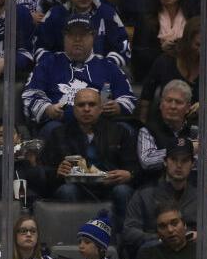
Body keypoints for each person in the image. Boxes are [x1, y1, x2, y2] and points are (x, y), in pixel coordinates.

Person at [23, 15, 137, 137]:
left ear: (93, 37)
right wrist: (47, 109)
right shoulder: (47, 64)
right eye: (71, 35)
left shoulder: (108, 66)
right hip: (60, 126)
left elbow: (128, 97)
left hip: (101, 128)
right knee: (54, 131)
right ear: (64, 37)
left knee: (126, 131)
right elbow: (30, 95)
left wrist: (118, 107)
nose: (77, 39)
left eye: (83, 35)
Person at [40, 87, 138, 228]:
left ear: (100, 108)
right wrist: (57, 171)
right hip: (77, 187)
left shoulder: (120, 131)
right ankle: (73, 238)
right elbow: (45, 172)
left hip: (110, 186)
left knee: (123, 191)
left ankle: (123, 241)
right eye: (81, 105)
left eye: (92, 105)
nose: (86, 109)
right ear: (74, 109)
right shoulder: (58, 134)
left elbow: (134, 166)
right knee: (67, 190)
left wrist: (129, 174)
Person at [122, 138, 207, 259]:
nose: (179, 165)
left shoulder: (204, 197)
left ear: (193, 164)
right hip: (158, 255)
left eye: (185, 161)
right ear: (165, 162)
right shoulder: (143, 195)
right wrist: (160, 238)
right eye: (174, 160)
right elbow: (129, 232)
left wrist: (201, 237)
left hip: (194, 255)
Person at [137, 17, 207, 127]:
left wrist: (205, 105)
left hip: (200, 126)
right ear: (188, 42)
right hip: (165, 124)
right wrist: (142, 123)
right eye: (198, 45)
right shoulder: (165, 61)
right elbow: (147, 94)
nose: (202, 51)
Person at [33, 0, 130, 68]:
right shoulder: (54, 14)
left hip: (100, 75)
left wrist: (103, 66)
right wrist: (59, 65)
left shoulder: (108, 14)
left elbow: (123, 50)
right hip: (61, 75)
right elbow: (39, 49)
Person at [129, 0, 192, 81]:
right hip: (154, 73)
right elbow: (139, 55)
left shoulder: (190, 14)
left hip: (187, 69)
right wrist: (161, 50)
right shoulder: (146, 19)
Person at [135, 80, 197, 185]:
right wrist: (187, 148)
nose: (172, 106)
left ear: (187, 107)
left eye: (178, 102)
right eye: (168, 101)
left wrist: (166, 158)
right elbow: (147, 161)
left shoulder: (197, 131)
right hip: (156, 190)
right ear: (161, 104)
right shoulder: (147, 131)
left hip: (191, 191)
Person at [0, 119, 46, 202]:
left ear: (19, 138)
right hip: (1, 202)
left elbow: (41, 187)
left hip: (28, 201)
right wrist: (7, 157)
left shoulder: (27, 152)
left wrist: (33, 164)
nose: (7, 138)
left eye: (11, 134)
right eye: (1, 135)